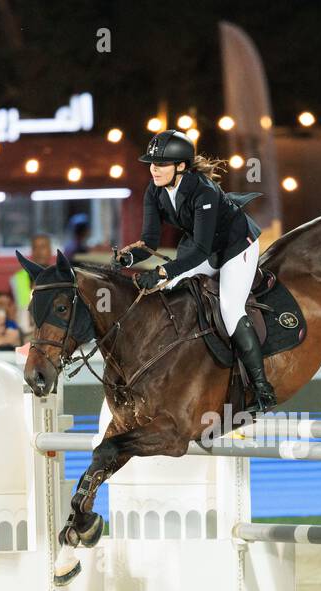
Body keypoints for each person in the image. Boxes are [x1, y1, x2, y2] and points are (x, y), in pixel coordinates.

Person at [116, 129, 272, 411]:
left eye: (161, 164)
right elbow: (150, 242)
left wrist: (163, 272)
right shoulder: (154, 191)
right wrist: (128, 258)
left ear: (181, 167)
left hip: (237, 246)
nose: (154, 169)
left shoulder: (204, 191)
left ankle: (261, 387)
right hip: (207, 246)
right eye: (152, 163)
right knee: (173, 294)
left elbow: (199, 252)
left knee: (230, 307)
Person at [12, 235, 54, 311]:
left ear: (50, 250)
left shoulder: (61, 276)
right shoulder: (17, 278)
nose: (39, 252)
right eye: (35, 248)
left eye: (43, 247)